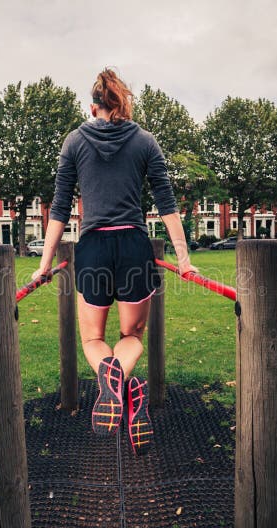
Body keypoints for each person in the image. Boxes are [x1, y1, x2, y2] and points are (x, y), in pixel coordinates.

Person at [32, 68, 197, 454]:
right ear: (122, 104)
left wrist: (44, 264)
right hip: (135, 246)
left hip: (92, 248)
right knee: (132, 336)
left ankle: (112, 385)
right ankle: (122, 383)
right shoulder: (145, 141)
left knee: (92, 338)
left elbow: (59, 208)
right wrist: (185, 260)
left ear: (93, 108)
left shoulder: (74, 142)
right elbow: (166, 205)